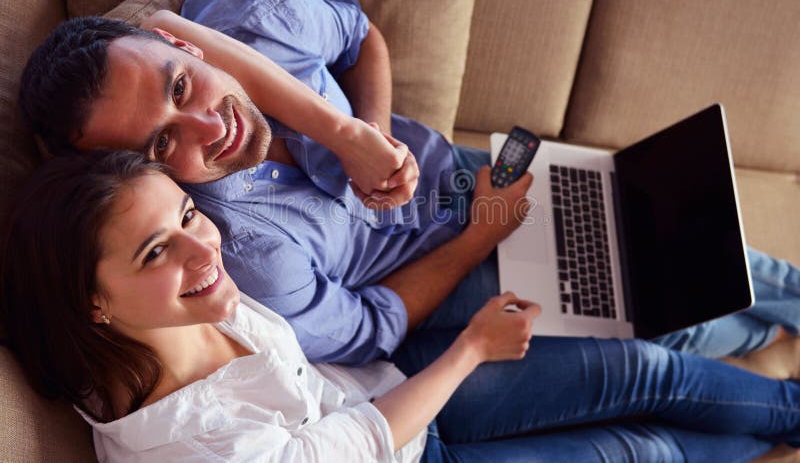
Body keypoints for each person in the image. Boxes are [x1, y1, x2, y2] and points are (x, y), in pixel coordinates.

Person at [17, 0, 800, 369]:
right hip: (433, 279)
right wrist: (481, 235)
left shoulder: (252, 11)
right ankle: (762, 332)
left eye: (180, 87)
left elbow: (360, 36)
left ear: (181, 42)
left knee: (660, 213)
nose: (208, 128)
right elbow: (369, 329)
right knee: (670, 319)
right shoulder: (236, 253)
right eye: (161, 147)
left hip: (449, 174)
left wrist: (371, 132)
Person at [3, 149, 800, 462]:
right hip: (400, 447)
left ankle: (786, 406)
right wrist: (472, 348)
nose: (203, 250)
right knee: (642, 451)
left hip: (392, 385)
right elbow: (356, 445)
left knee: (642, 367)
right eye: (155, 251)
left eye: (186, 215)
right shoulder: (184, 447)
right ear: (91, 303)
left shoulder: (198, 299)